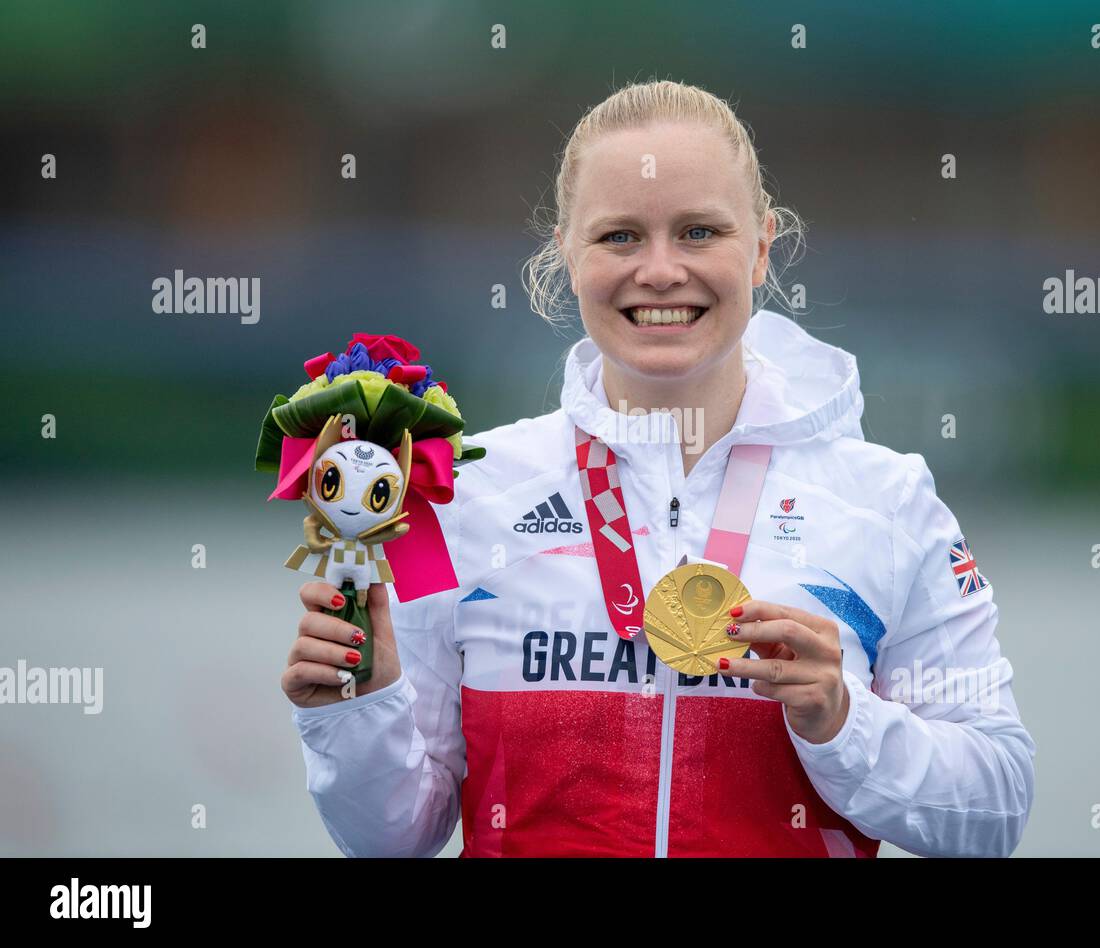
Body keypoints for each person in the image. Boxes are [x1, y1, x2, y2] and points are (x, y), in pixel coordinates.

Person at [281, 79, 1035, 858]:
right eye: (620, 237)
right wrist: (353, 709)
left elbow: (996, 807)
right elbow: (391, 840)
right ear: (566, 255)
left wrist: (845, 722)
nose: (662, 270)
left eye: (700, 231)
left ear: (764, 248)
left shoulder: (890, 501)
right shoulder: (456, 498)